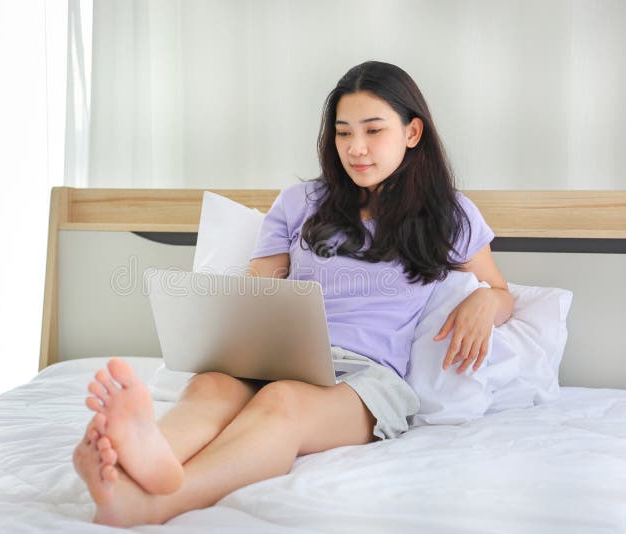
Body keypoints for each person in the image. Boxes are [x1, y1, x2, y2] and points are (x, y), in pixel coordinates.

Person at [72, 60, 515, 527]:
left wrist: (485, 300)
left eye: (373, 130)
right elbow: (259, 287)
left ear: (412, 132)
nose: (356, 148)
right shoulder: (300, 203)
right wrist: (232, 327)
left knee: (282, 402)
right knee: (210, 386)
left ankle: (155, 500)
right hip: (281, 356)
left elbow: (501, 290)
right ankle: (138, 457)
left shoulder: (450, 214)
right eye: (343, 133)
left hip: (364, 380)